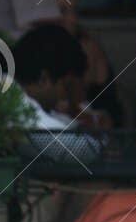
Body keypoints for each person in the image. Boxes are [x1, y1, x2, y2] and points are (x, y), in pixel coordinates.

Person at [12, 23, 103, 167]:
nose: (65, 99)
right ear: (44, 79)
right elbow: (81, 151)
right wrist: (98, 135)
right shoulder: (15, 106)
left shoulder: (20, 98)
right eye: (66, 88)